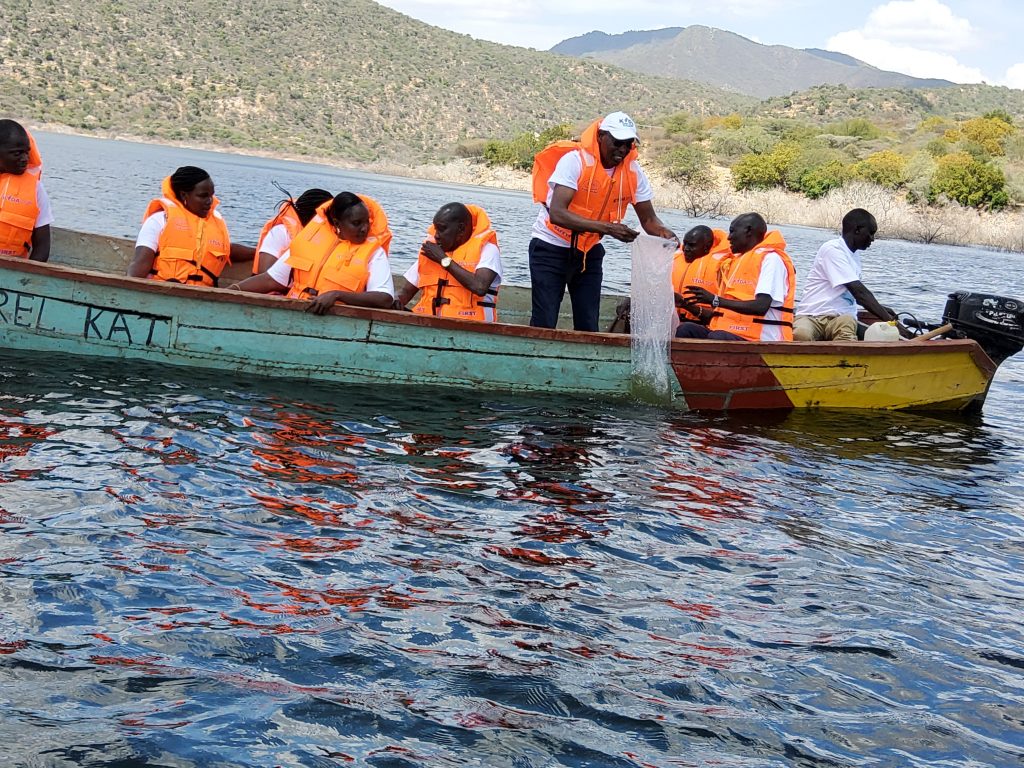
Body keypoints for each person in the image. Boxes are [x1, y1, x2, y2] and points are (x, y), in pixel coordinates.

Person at [529, 111, 676, 332]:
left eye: (629, 144)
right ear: (600, 136)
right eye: (617, 142)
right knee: (545, 320)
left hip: (589, 252)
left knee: (588, 323)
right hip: (551, 246)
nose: (623, 150)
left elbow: (649, 219)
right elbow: (558, 213)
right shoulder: (575, 161)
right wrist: (608, 229)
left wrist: (668, 236)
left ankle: (585, 364)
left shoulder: (633, 172)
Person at [231, 191, 394, 314]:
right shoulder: (307, 242)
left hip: (338, 323)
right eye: (356, 223)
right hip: (293, 313)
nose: (364, 228)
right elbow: (270, 280)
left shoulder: (374, 254)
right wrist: (233, 290)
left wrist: (337, 295)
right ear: (337, 223)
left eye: (367, 222)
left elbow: (384, 298)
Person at [128, 166, 253, 287]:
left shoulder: (216, 222)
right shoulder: (159, 220)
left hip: (202, 298)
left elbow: (228, 251)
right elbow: (139, 265)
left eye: (211, 195)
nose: (210, 201)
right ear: (184, 195)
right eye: (203, 196)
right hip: (161, 292)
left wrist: (258, 252)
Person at [679, 212, 795, 341]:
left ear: (748, 231)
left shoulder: (771, 260)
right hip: (728, 331)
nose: (729, 238)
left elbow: (761, 306)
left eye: (732, 231)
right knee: (686, 329)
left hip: (760, 338)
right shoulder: (734, 262)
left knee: (717, 337)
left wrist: (715, 300)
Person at [793, 208, 897, 341]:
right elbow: (860, 294)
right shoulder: (833, 249)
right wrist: (891, 322)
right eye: (871, 233)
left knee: (847, 324)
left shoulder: (854, 256)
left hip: (840, 318)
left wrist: (881, 309)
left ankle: (844, 360)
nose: (873, 239)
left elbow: (858, 295)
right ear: (857, 230)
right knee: (801, 334)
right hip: (811, 316)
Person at [395, 202, 502, 322]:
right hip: (428, 326)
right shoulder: (432, 251)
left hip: (470, 329)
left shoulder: (488, 249)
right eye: (435, 230)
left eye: (442, 229)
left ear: (461, 229)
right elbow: (405, 292)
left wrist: (443, 260)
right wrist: (394, 301)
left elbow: (480, 287)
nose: (436, 236)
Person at [0, 119, 51, 262]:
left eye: (27, 153)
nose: (25, 159)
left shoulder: (36, 189)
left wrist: (26, 279)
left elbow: (42, 246)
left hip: (14, 274)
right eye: (17, 154)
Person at [252, 188, 333, 274]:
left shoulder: (328, 236)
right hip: (276, 285)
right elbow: (264, 273)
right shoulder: (281, 233)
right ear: (312, 216)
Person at [672, 225, 731, 325]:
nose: (686, 249)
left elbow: (722, 314)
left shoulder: (724, 266)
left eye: (691, 245)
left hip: (703, 324)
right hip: (674, 319)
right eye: (685, 244)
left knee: (685, 329)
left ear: (706, 247)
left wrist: (685, 305)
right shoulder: (675, 258)